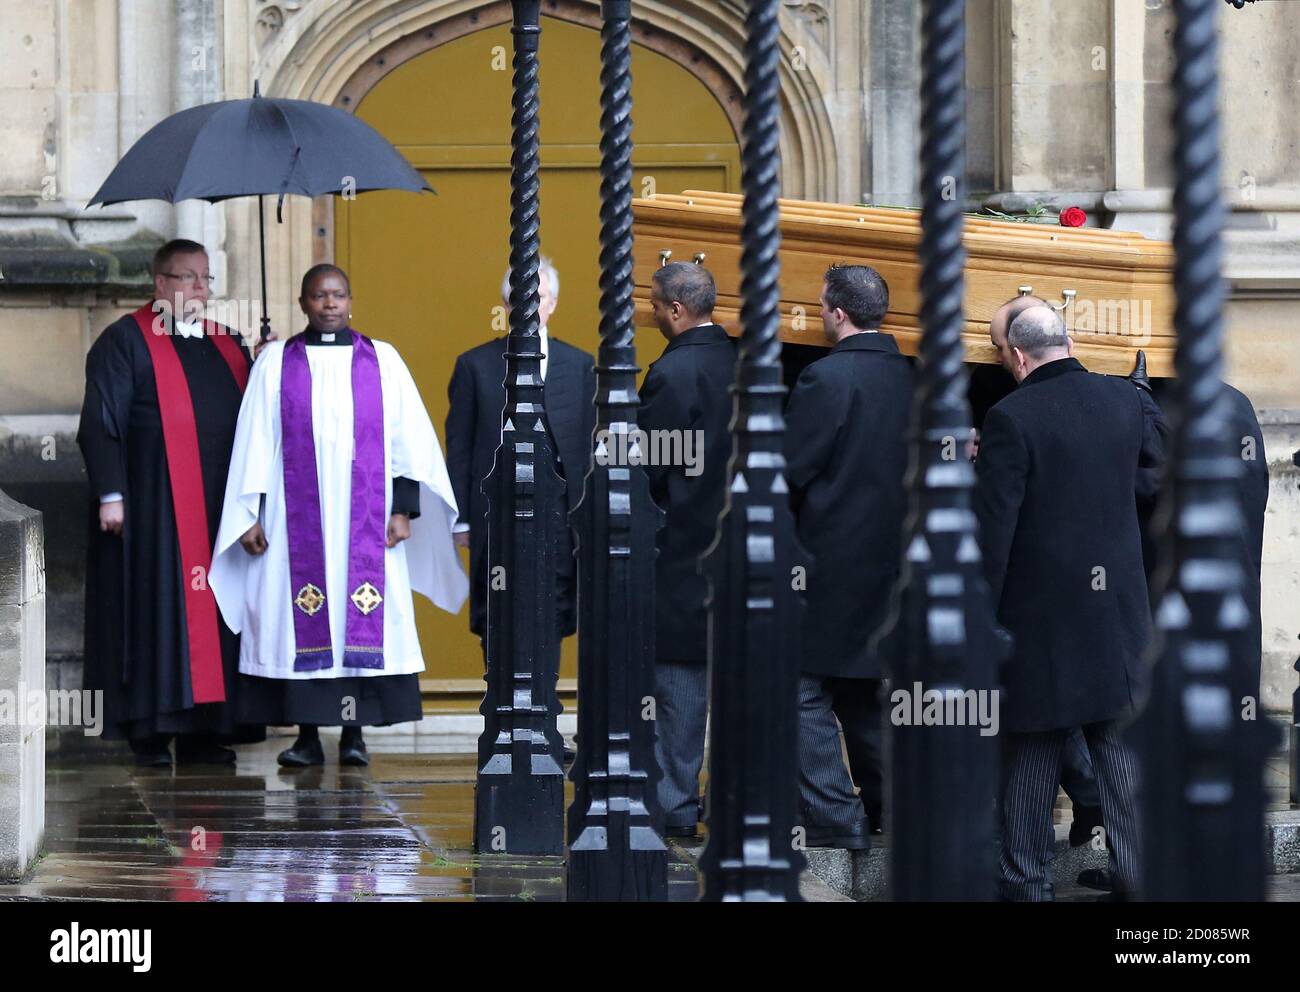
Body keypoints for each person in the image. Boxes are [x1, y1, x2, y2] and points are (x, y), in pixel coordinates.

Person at [209, 264, 467, 767]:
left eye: (338, 295)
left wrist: (403, 509)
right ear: (303, 303)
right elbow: (253, 444)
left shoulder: (383, 361)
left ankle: (355, 735)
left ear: (351, 301)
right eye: (319, 295)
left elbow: (407, 440)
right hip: (292, 519)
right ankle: (307, 735)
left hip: (366, 521)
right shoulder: (276, 364)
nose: (330, 304)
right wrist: (249, 517)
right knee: (300, 618)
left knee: (361, 615)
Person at [975, 305, 1165, 901]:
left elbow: (993, 535)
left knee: (1032, 757)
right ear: (1069, 339)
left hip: (1041, 623)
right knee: (1120, 754)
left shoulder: (1010, 417)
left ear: (1017, 356)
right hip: (1117, 614)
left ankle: (1026, 883)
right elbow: (1152, 484)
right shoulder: (1126, 402)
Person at [77, 238, 264, 765]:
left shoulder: (229, 344)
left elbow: (257, 422)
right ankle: (152, 731)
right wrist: (111, 494)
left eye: (205, 278)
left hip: (220, 512)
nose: (200, 289)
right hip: (154, 511)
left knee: (219, 612)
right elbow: (100, 422)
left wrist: (266, 360)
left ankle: (209, 729)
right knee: (158, 614)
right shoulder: (125, 341)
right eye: (188, 278)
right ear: (160, 284)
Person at [784, 264, 914, 850]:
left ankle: (837, 818)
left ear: (837, 313)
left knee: (797, 690)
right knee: (866, 692)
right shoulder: (920, 378)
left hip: (831, 565)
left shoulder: (824, 380)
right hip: (900, 568)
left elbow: (790, 469)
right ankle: (894, 809)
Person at [444, 258, 595, 754]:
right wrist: (461, 518)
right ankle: (504, 717)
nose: (531, 307)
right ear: (507, 305)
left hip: (562, 522)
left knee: (551, 614)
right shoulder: (474, 365)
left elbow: (592, 447)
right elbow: (461, 446)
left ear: (553, 303)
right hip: (495, 519)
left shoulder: (580, 365)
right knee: (499, 615)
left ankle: (545, 720)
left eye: (541, 298)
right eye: (521, 299)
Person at [638, 262, 736, 837]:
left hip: (682, 552)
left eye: (653, 303)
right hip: (742, 551)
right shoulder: (745, 362)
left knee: (678, 687)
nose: (650, 311)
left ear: (677, 309)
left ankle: (674, 804)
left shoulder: (674, 373)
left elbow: (648, 467)